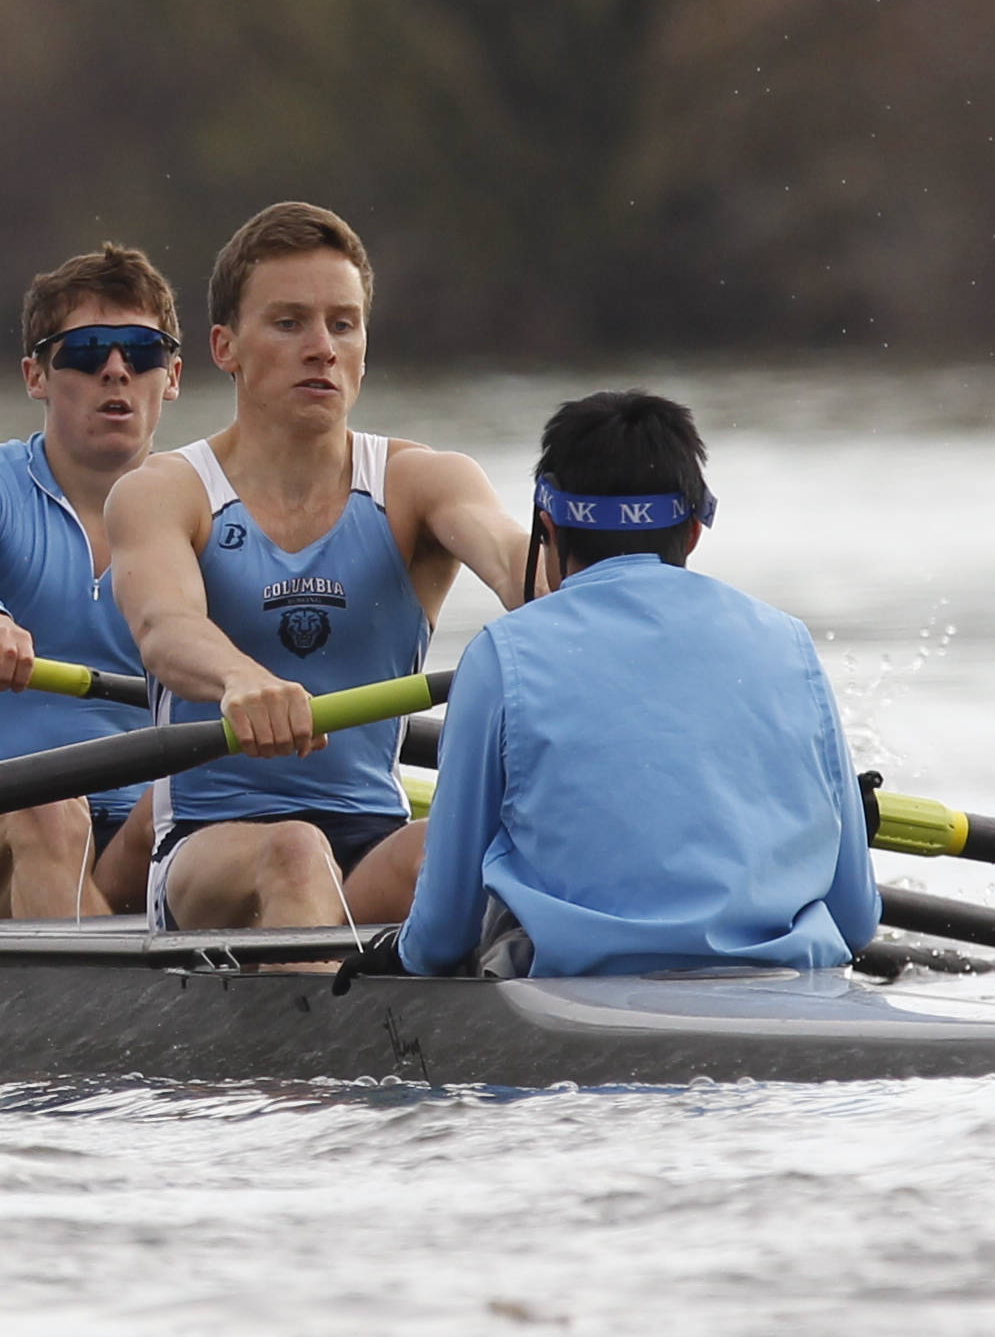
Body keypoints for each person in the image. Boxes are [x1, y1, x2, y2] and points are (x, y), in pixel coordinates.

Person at [109, 200, 529, 936]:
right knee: (296, 854)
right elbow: (164, 626)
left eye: (343, 323)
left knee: (476, 843)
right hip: (208, 847)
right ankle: (341, 1051)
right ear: (224, 346)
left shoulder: (422, 482)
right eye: (288, 322)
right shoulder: (164, 491)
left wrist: (598, 594)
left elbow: (514, 562)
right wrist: (242, 678)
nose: (322, 348)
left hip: (371, 837)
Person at [390, 391, 879, 979]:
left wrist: (388, 957)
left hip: (577, 1006)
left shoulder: (501, 656)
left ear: (548, 529)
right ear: (694, 532)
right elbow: (854, 921)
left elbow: (442, 934)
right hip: (791, 995)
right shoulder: (789, 642)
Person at [0, 241, 183, 920]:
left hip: (139, 832)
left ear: (171, 376)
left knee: (224, 789)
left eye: (141, 352)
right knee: (49, 810)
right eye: (86, 351)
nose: (116, 369)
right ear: (36, 375)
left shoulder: (199, 509)